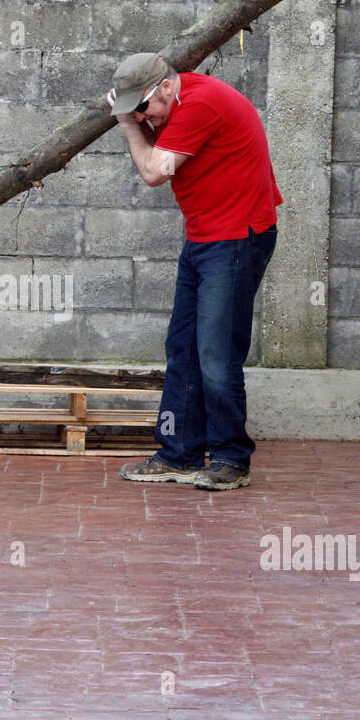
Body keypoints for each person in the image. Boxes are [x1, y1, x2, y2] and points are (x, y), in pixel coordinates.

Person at [108, 52, 281, 490]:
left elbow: (154, 171)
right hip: (205, 237)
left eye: (141, 106)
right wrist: (140, 117)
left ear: (167, 86)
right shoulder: (174, 101)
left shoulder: (200, 104)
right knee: (182, 346)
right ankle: (179, 454)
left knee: (216, 354)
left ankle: (230, 459)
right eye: (130, 109)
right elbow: (159, 144)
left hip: (237, 239)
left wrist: (128, 125)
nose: (139, 115)